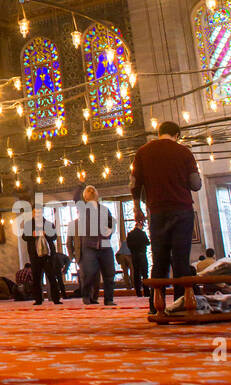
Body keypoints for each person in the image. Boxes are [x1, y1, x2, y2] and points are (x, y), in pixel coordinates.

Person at [132, 120, 201, 312]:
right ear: (177, 135)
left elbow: (134, 184)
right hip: (182, 211)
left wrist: (137, 208)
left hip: (157, 213)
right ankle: (180, 305)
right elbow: (195, 184)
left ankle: (156, 306)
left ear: (159, 132)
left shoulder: (143, 152)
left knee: (159, 261)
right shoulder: (184, 152)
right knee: (181, 260)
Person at [74, 185, 116, 305]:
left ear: (97, 195)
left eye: (93, 190)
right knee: (90, 273)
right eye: (88, 191)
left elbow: (111, 224)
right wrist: (81, 183)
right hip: (89, 247)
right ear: (85, 197)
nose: (91, 191)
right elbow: (76, 198)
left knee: (109, 274)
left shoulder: (104, 209)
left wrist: (109, 232)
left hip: (105, 246)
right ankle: (86, 296)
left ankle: (109, 299)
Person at [21, 205, 62, 306]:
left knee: (52, 277)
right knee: (36, 278)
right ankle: (38, 300)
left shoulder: (48, 224)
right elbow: (24, 237)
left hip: (48, 255)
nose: (37, 214)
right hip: (35, 255)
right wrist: (33, 234)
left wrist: (45, 233)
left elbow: (55, 236)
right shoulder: (28, 225)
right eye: (35, 212)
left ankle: (56, 299)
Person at [125, 220, 149, 296]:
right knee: (145, 274)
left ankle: (138, 292)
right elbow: (147, 243)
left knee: (136, 273)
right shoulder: (142, 233)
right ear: (140, 226)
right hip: (142, 254)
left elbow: (128, 245)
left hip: (134, 255)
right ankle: (146, 292)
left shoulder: (130, 234)